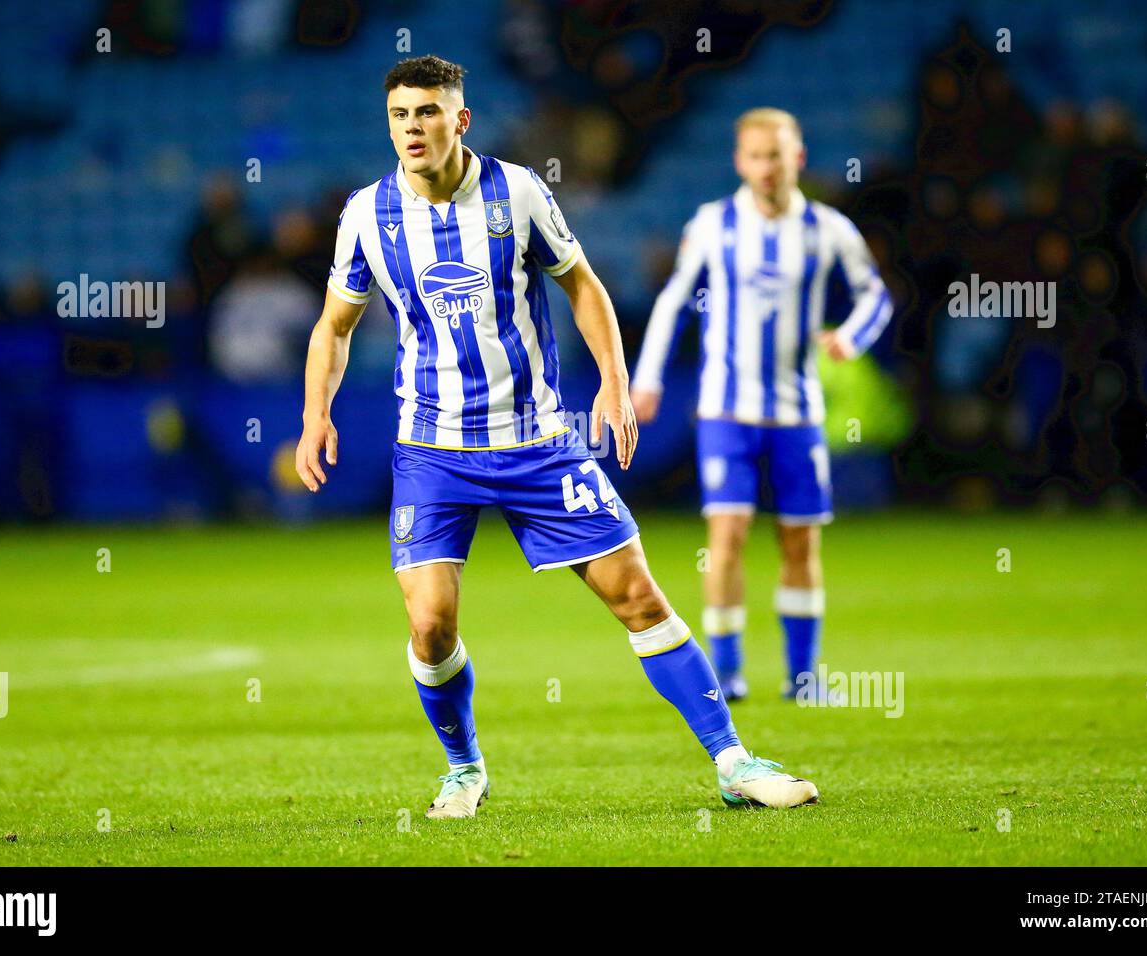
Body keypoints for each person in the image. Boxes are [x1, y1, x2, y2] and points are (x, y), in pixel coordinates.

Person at [295, 57, 818, 817]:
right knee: (430, 622)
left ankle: (735, 762)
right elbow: (333, 327)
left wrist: (612, 377)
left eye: (429, 112)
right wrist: (317, 414)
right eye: (401, 115)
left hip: (539, 441)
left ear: (459, 120)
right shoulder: (365, 215)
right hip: (432, 450)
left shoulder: (519, 191)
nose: (414, 127)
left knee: (638, 597)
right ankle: (464, 767)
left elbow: (581, 284)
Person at [632, 108, 892, 702]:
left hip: (798, 413)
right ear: (739, 162)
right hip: (726, 410)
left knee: (800, 541)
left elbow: (875, 295)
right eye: (755, 156)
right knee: (727, 535)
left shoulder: (828, 229)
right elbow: (674, 301)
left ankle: (803, 678)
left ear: (797, 158)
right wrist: (647, 378)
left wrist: (851, 337)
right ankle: (726, 673)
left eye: (776, 155)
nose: (766, 167)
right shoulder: (713, 223)